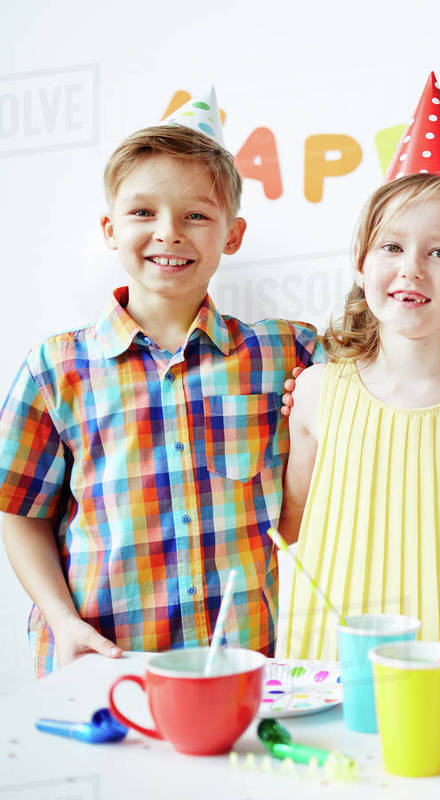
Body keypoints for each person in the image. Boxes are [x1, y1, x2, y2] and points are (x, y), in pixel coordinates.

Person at [0, 122, 318, 677]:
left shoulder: (287, 351)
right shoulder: (54, 369)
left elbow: (398, 371)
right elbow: (20, 512)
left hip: (248, 660)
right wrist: (62, 620)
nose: (169, 233)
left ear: (232, 234)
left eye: (196, 215)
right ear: (110, 228)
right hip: (104, 659)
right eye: (143, 212)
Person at [277, 173, 440, 667]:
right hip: (333, 652)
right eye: (392, 246)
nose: (412, 268)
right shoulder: (314, 392)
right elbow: (294, 523)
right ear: (360, 263)